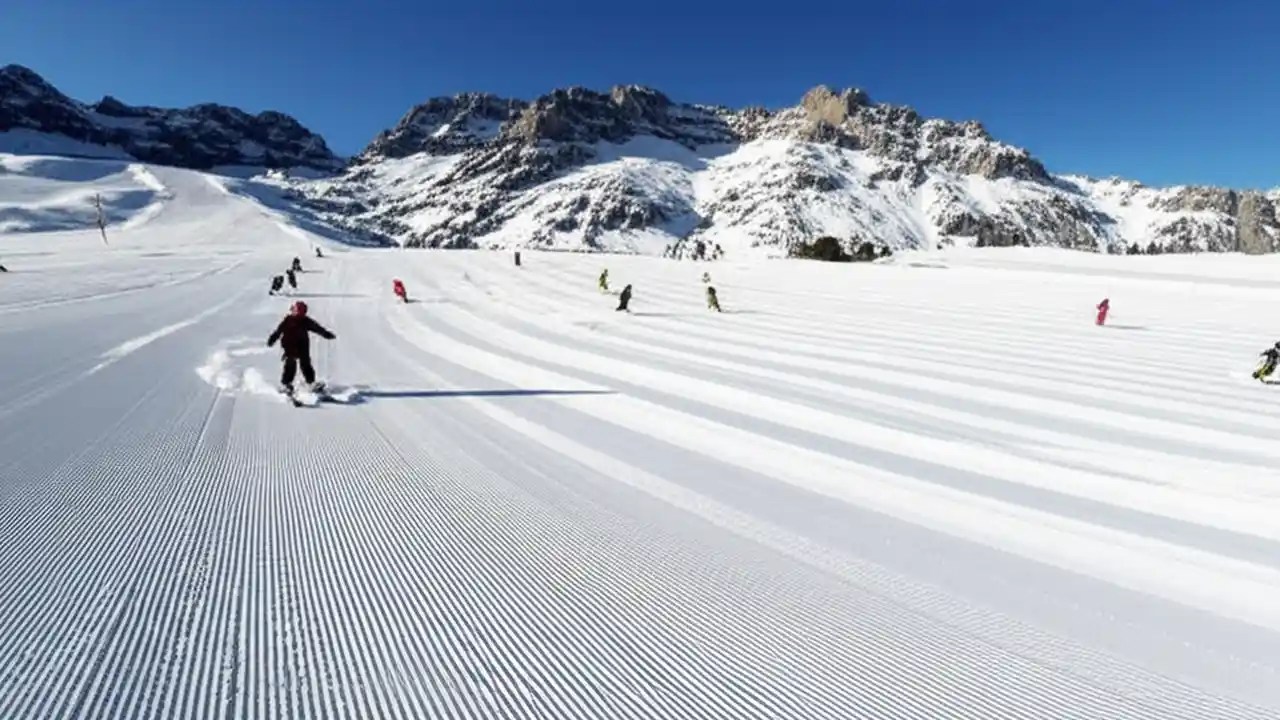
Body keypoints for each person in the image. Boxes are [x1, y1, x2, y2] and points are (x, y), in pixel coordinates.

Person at [267, 301, 336, 394]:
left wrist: (326, 334)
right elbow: (279, 331)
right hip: (290, 345)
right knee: (290, 364)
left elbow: (316, 328)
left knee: (306, 363)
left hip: (302, 345)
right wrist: (272, 339)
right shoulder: (288, 320)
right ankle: (286, 383)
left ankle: (311, 382)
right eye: (296, 311)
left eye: (301, 312)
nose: (298, 314)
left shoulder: (305, 321)